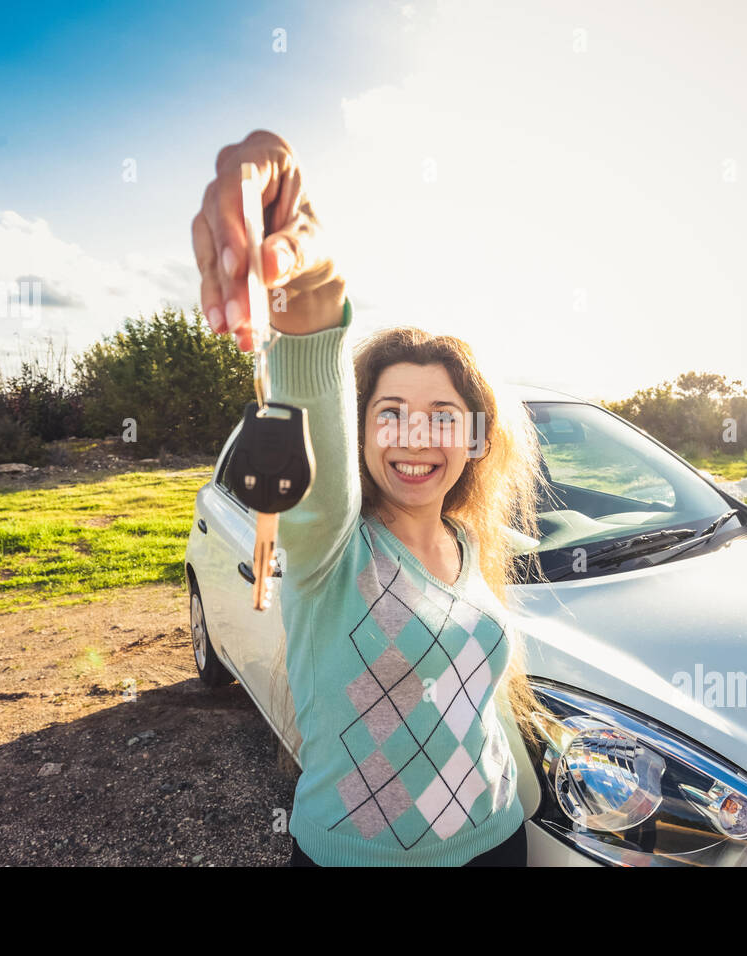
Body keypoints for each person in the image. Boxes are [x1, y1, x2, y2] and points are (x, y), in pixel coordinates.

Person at [192, 130, 550, 866]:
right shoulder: (330, 549)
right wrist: (310, 300)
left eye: (442, 415)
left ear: (473, 436)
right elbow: (313, 406)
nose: (417, 437)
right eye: (390, 412)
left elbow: (477, 696)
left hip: (500, 838)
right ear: (357, 433)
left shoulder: (468, 540)